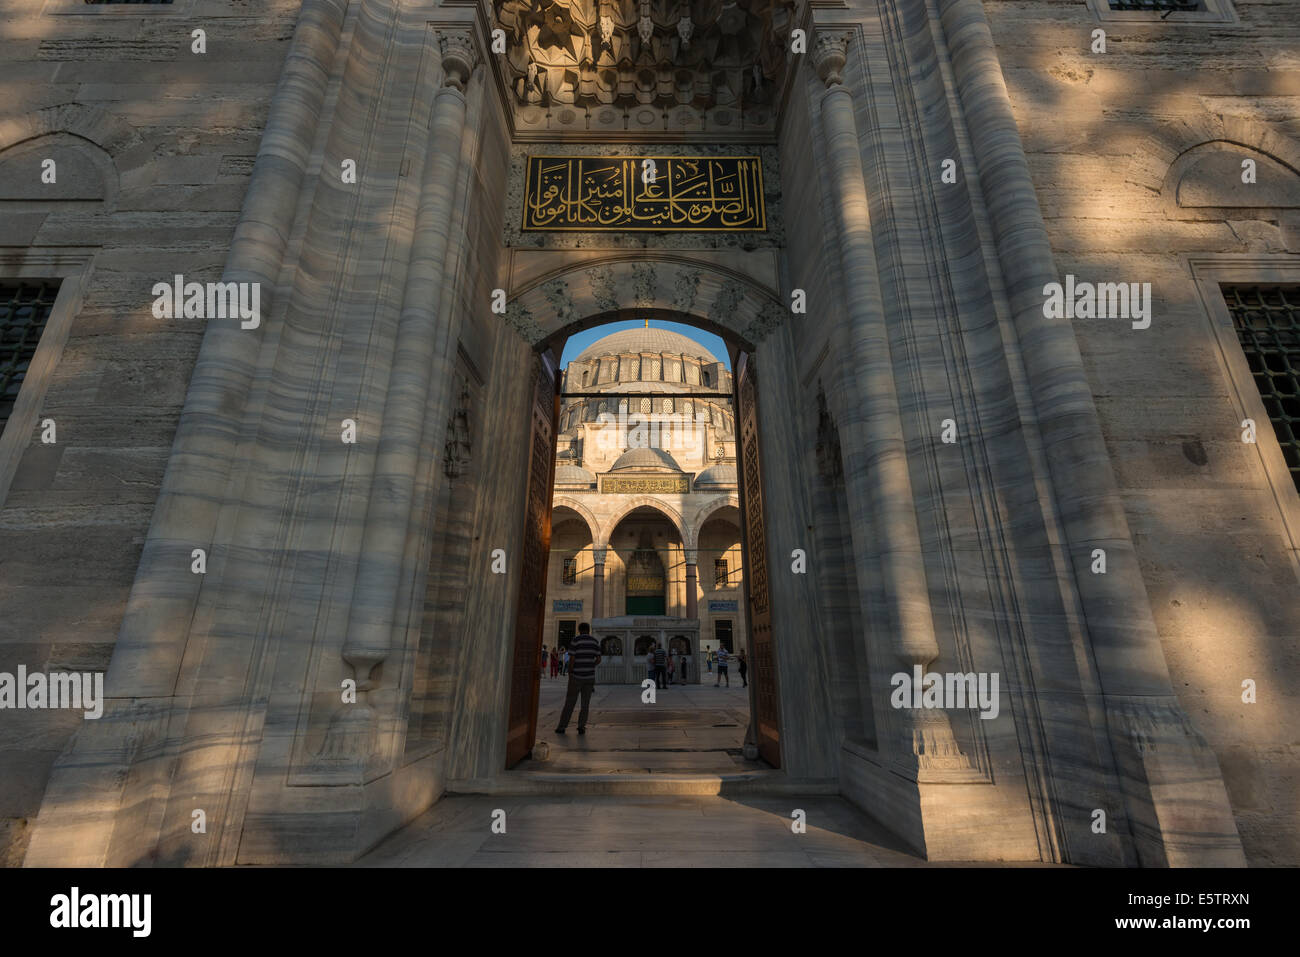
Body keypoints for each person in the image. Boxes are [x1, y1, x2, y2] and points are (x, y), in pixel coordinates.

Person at [556, 623, 601, 735]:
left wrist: (571, 672)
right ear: (588, 630)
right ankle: (581, 727)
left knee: (570, 702)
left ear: (579, 630)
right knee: (585, 704)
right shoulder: (594, 641)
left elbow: (572, 658)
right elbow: (599, 659)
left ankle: (562, 727)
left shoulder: (576, 640)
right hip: (589, 677)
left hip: (576, 676)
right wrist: (591, 665)